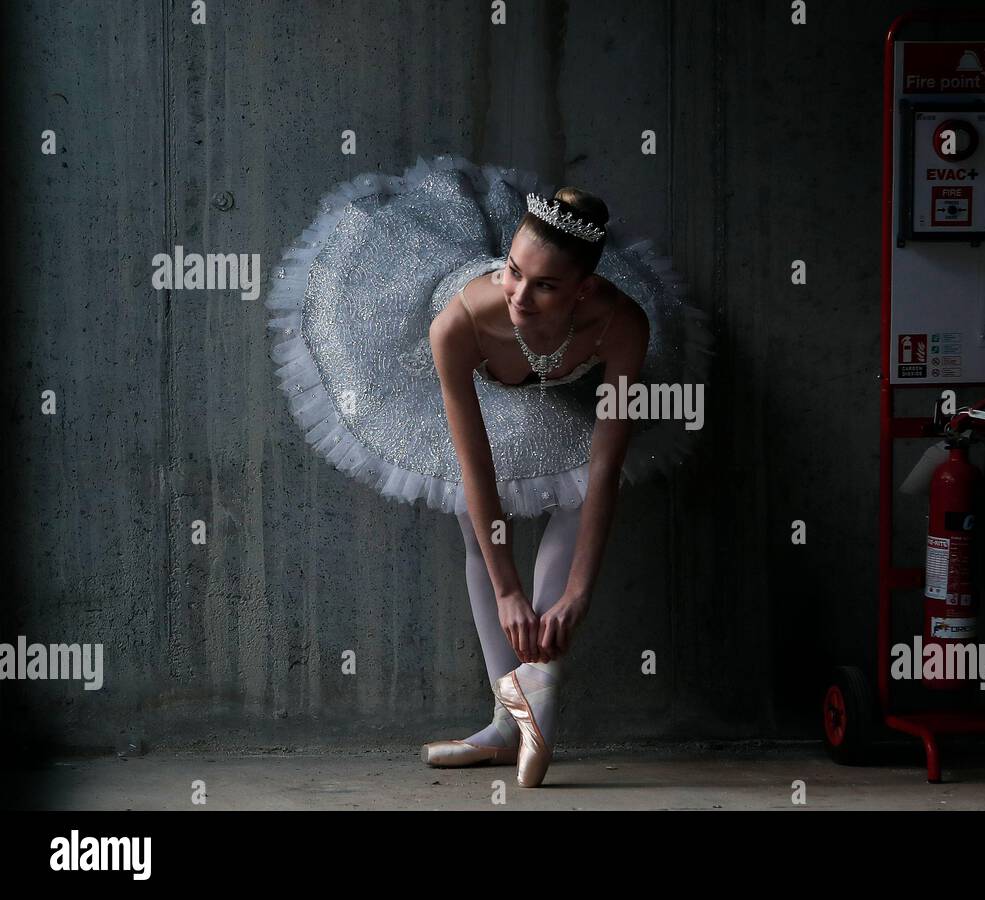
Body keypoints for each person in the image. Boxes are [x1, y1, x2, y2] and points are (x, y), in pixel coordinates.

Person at [265, 155, 711, 788]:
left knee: (583, 485)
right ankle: (509, 720)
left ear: (584, 288)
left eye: (546, 286)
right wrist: (508, 592)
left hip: (571, 391)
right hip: (478, 376)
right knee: (478, 529)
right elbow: (473, 469)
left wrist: (579, 594)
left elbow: (607, 463)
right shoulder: (460, 320)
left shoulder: (622, 324)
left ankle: (539, 689)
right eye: (513, 270)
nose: (521, 296)